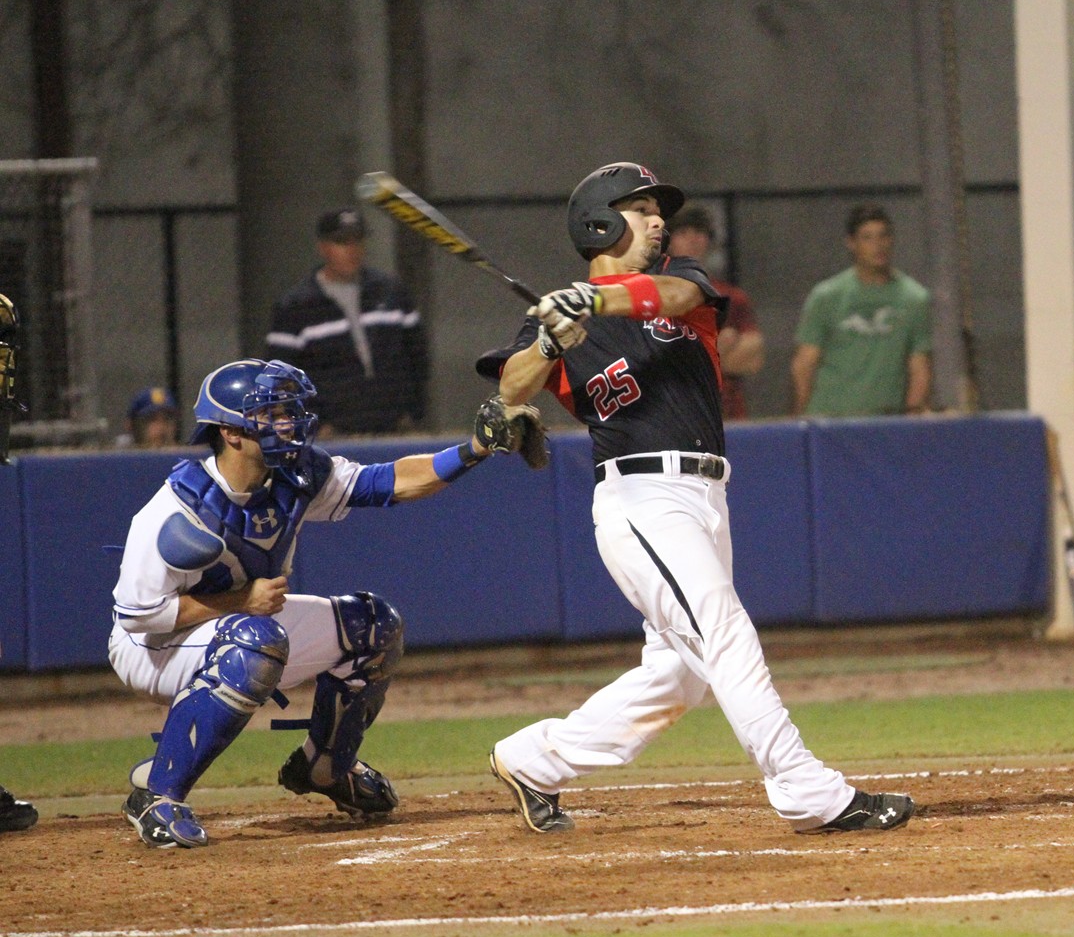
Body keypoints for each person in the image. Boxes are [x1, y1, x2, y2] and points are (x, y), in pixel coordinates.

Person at [477, 161, 914, 835]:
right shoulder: (563, 323)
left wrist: (590, 302)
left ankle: (534, 759)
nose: (658, 220)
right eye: (641, 208)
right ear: (599, 221)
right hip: (640, 498)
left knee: (679, 676)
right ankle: (808, 791)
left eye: (659, 210)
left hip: (706, 494)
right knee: (724, 630)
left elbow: (677, 299)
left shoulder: (680, 281)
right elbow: (509, 389)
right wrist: (545, 338)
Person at [108, 357, 503, 848]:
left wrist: (475, 450)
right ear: (231, 433)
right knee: (255, 640)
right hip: (154, 645)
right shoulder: (178, 507)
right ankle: (158, 795)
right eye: (271, 414)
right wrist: (239, 600)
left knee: (374, 626)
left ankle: (325, 768)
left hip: (247, 622)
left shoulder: (292, 475)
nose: (287, 423)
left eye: (287, 411)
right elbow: (139, 616)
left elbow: (391, 482)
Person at [266, 208, 428, 435]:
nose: (352, 250)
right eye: (341, 242)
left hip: (395, 427)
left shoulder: (390, 292)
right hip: (332, 436)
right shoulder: (296, 306)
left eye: (357, 241)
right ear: (322, 247)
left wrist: (412, 411)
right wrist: (316, 423)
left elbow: (417, 356)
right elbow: (281, 376)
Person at [791, 203, 932, 417]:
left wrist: (911, 418)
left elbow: (919, 365)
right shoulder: (827, 296)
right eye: (867, 237)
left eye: (883, 236)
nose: (878, 245)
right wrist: (801, 417)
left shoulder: (914, 299)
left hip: (886, 419)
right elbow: (805, 363)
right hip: (830, 419)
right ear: (851, 243)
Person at [666, 205, 764, 419]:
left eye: (699, 233)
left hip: (727, 414)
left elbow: (753, 359)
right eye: (683, 233)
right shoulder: (657, 296)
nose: (693, 240)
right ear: (669, 241)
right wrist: (719, 346)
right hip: (675, 414)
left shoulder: (731, 297)